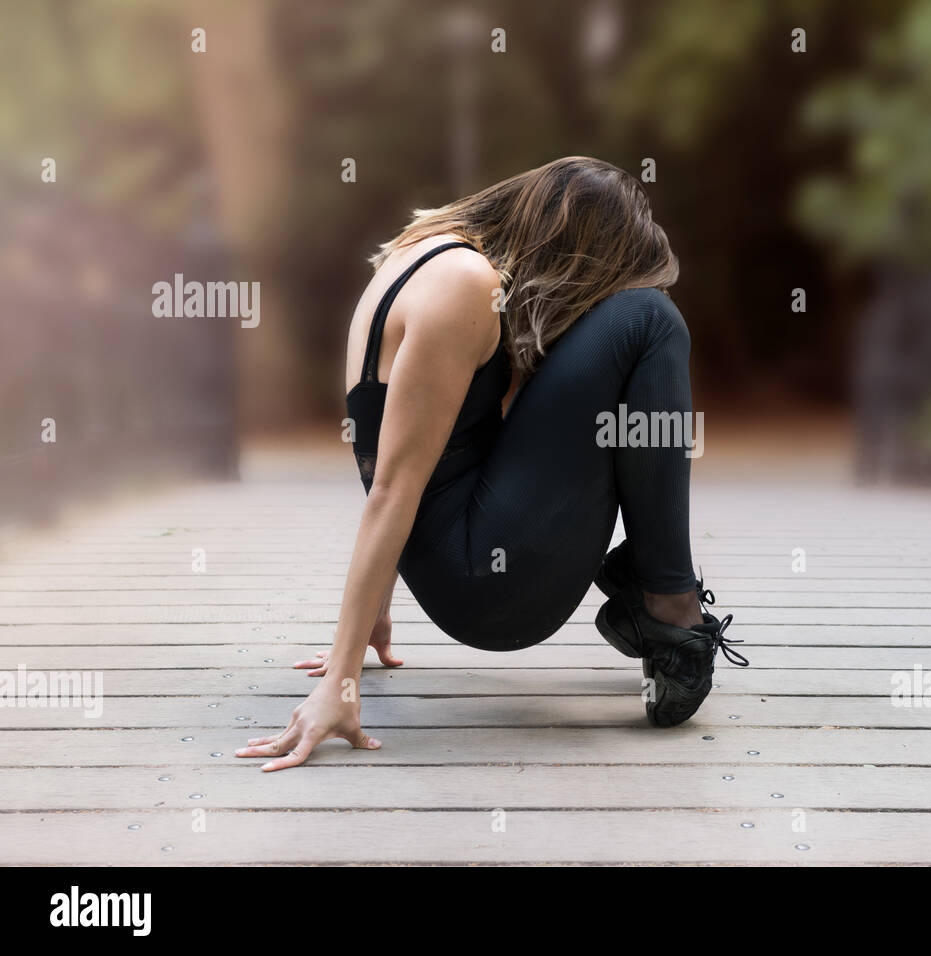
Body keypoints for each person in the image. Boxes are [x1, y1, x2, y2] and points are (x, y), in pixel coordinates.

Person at [236, 157, 747, 772]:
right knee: (651, 318)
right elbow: (395, 484)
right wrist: (339, 683)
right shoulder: (466, 286)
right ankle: (668, 606)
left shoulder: (426, 252)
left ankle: (653, 587)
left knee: (641, 323)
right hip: (490, 583)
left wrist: (374, 612)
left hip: (467, 560)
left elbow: (390, 446)